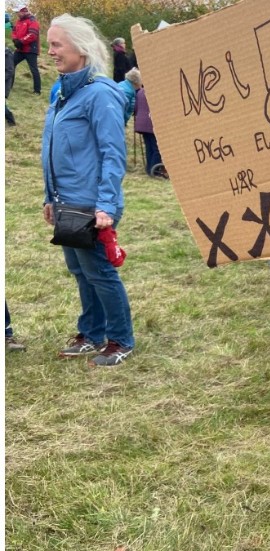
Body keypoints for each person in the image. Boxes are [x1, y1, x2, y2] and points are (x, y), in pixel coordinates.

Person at [42, 14, 134, 366]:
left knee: (99, 272)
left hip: (92, 205)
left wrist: (106, 206)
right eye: (49, 44)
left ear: (80, 48)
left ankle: (120, 339)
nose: (49, 51)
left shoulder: (101, 95)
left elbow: (113, 154)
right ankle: (92, 333)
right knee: (81, 271)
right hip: (67, 203)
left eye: (56, 44)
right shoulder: (62, 93)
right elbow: (53, 148)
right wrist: (50, 197)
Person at [10, 4, 40, 95]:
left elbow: (32, 35)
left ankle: (37, 90)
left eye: (18, 12)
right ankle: (8, 85)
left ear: (23, 11)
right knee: (10, 64)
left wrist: (21, 41)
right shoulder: (18, 21)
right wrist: (15, 40)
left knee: (33, 69)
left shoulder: (32, 21)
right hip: (20, 49)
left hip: (30, 50)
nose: (17, 14)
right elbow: (14, 31)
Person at [133, 85, 163, 176]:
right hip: (152, 123)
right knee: (157, 149)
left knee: (149, 147)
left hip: (141, 123)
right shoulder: (156, 91)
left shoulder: (140, 91)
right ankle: (154, 171)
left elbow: (135, 108)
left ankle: (149, 169)